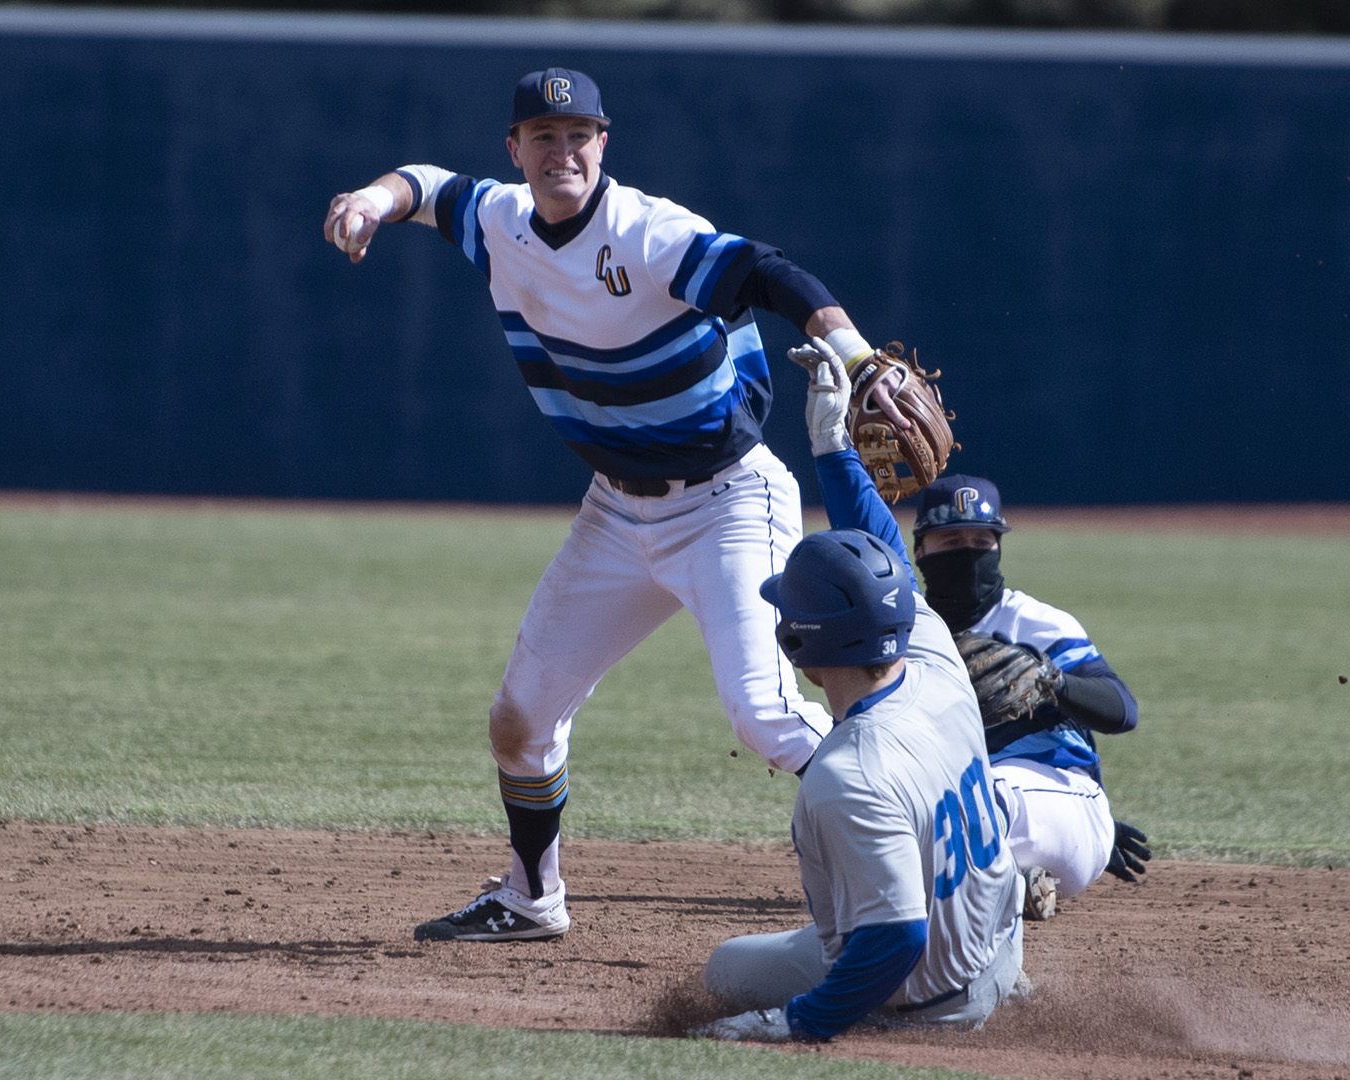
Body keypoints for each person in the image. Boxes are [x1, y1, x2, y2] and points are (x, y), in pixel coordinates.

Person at [322, 68, 910, 942]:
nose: (562, 151)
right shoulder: (502, 222)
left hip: (726, 502)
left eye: (578, 135)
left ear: (604, 142)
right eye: (543, 137)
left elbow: (771, 274)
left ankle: (944, 849)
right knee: (519, 720)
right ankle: (531, 898)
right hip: (615, 511)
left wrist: (858, 356)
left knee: (766, 715)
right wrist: (370, 199)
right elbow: (431, 189)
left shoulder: (650, 233)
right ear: (515, 150)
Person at [691, 342, 1026, 1042]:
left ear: (803, 647)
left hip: (938, 1003)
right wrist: (830, 443)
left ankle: (884, 1021)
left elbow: (895, 938)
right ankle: (1004, 984)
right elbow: (881, 552)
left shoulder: (847, 775)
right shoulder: (933, 658)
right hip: (1003, 944)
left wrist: (797, 1024)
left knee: (725, 972)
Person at [911, 474, 1150, 920]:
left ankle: (997, 880)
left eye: (981, 541)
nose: (967, 552)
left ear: (999, 546)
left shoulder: (1038, 625)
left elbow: (1122, 710)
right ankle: (1006, 883)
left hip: (1059, 796)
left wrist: (1054, 682)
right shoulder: (912, 631)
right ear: (920, 550)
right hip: (989, 811)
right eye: (951, 541)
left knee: (970, 802)